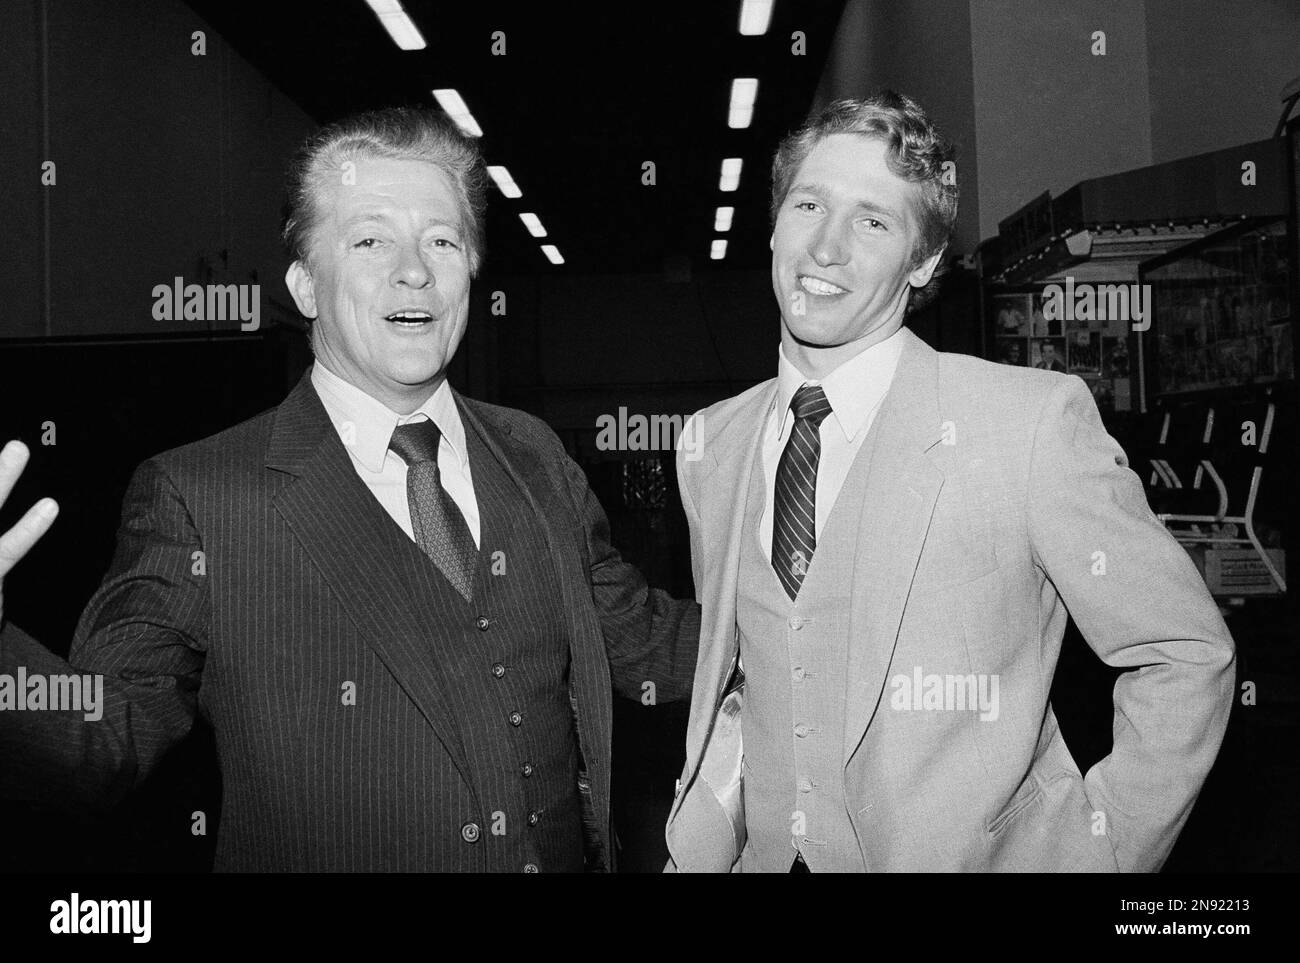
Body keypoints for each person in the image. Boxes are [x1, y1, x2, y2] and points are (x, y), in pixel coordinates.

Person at [0, 107, 700, 873]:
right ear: (304, 285)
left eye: (442, 239)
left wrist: (825, 611)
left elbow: (641, 644)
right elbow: (109, 737)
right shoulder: (202, 497)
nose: (414, 270)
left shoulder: (534, 455)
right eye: (371, 240)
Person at [664, 92, 1235, 872]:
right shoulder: (711, 444)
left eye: (873, 221)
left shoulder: (1027, 425)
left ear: (925, 260)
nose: (826, 248)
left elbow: (1185, 651)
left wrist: (1097, 852)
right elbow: (751, 675)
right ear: (773, 223)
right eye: (809, 204)